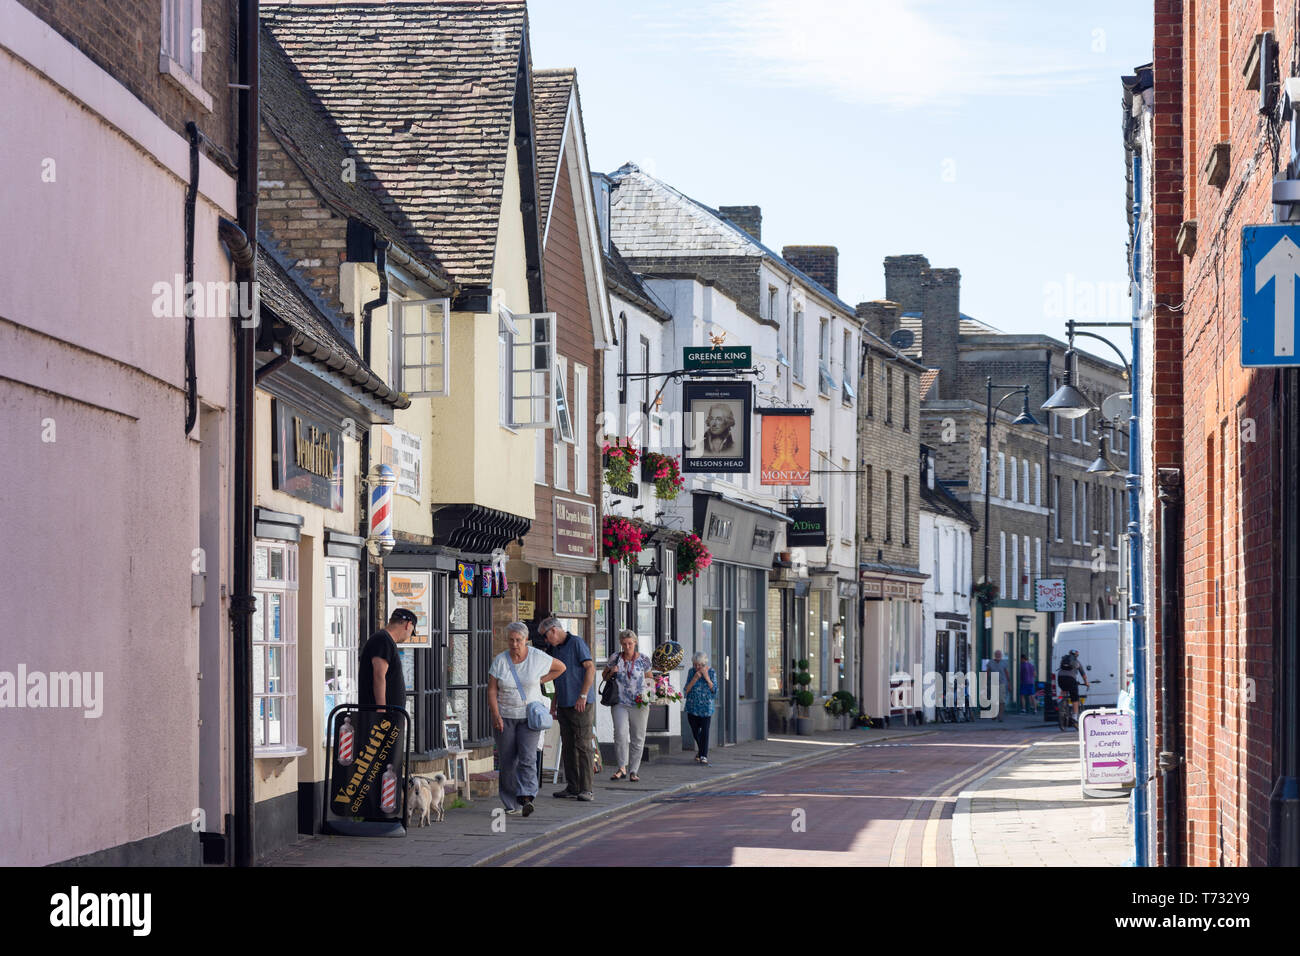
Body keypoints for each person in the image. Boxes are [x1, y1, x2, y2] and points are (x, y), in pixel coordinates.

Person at [487, 622, 565, 816]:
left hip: (530, 717)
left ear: (526, 640)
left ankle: (527, 797)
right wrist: (496, 714)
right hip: (506, 716)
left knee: (528, 757)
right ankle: (511, 802)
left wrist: (540, 681)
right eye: (511, 640)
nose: (515, 644)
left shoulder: (537, 657)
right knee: (507, 760)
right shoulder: (500, 661)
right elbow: (492, 689)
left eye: (519, 640)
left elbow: (560, 668)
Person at [540, 616, 597, 802]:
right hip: (564, 702)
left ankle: (587, 789)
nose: (546, 641)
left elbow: (590, 668)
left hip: (580, 703)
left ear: (554, 631)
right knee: (568, 746)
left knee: (583, 745)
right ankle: (573, 786)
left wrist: (583, 695)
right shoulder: (555, 648)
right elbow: (558, 676)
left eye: (546, 637)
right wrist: (555, 701)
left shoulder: (577, 643)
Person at [603, 629, 653, 781]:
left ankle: (634, 770)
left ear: (635, 643)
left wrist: (650, 695)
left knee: (638, 736)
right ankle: (621, 768)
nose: (627, 646)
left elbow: (650, 679)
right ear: (621, 644)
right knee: (620, 733)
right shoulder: (615, 657)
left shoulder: (644, 660)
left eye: (630, 643)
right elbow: (604, 676)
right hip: (620, 701)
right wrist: (612, 672)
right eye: (624, 644)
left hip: (639, 703)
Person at [360, 608, 415, 715]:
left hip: (389, 716)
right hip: (382, 719)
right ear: (408, 625)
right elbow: (379, 675)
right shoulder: (383, 640)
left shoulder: (385, 640)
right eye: (411, 632)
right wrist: (381, 709)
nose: (409, 636)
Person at [682, 651, 717, 765]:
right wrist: (694, 679)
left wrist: (707, 677)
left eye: (700, 665)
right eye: (695, 664)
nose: (697, 667)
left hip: (706, 707)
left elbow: (714, 690)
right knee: (695, 732)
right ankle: (701, 752)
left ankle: (703, 755)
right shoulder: (691, 672)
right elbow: (686, 690)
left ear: (704, 664)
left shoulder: (711, 672)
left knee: (705, 732)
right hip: (692, 707)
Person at [1056, 649, 1090, 726]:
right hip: (1070, 679)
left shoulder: (1063, 660)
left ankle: (1062, 704)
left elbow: (1062, 671)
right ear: (1076, 656)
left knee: (1064, 689)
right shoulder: (1077, 662)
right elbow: (1083, 674)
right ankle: (1075, 716)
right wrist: (1086, 683)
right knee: (1075, 697)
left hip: (1060, 678)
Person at [985, 649, 1011, 721]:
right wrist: (985, 682)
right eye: (997, 654)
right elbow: (987, 672)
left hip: (1002, 683)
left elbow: (1007, 673)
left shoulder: (1004, 663)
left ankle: (1000, 715)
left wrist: (1009, 683)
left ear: (1001, 655)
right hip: (993, 683)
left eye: (999, 654)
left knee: (1001, 700)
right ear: (995, 655)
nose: (998, 655)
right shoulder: (990, 662)